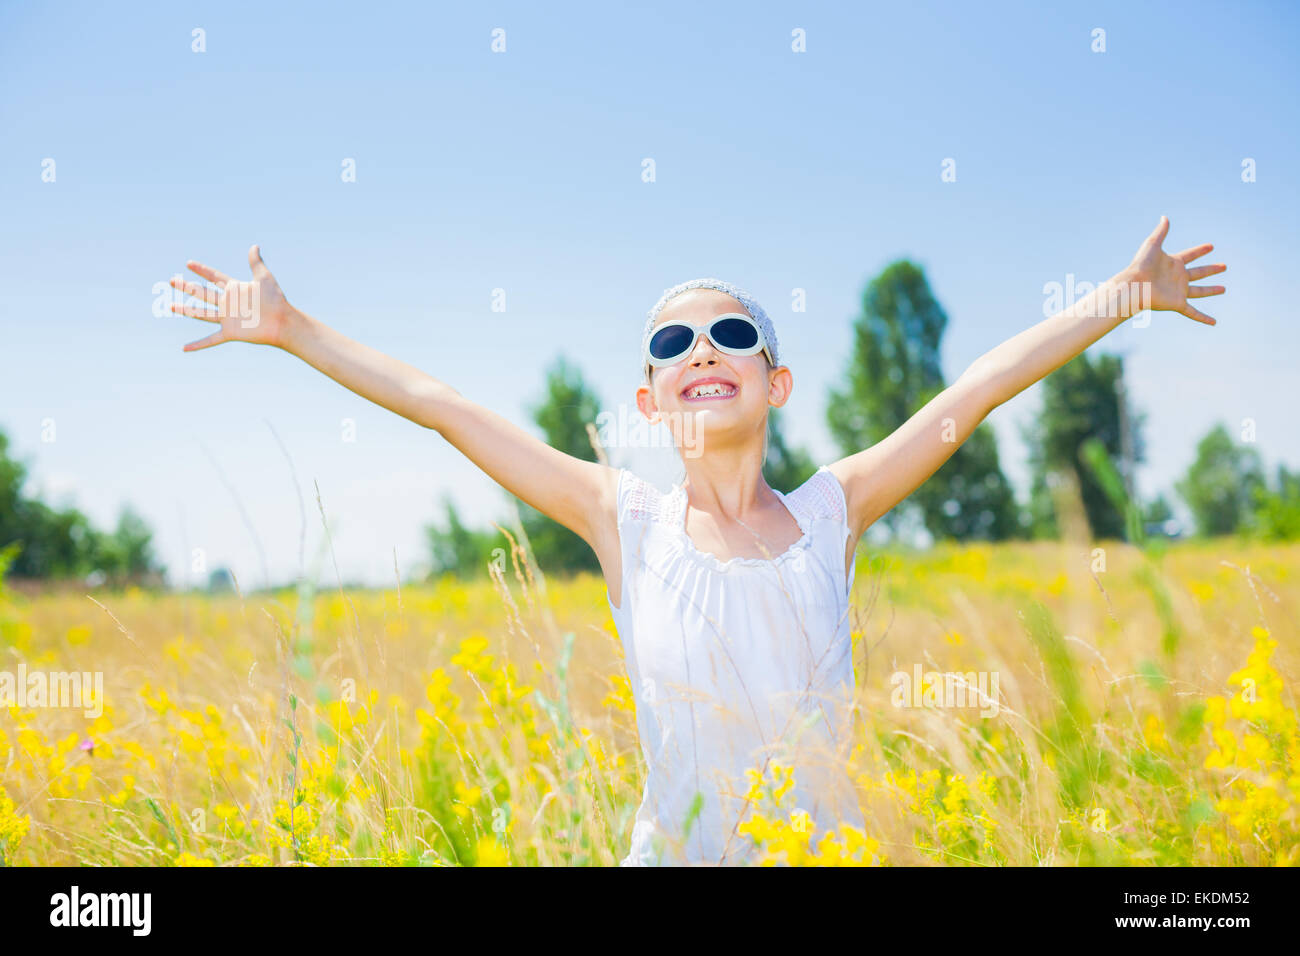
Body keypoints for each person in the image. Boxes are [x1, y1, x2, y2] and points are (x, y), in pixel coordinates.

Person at [167, 215, 1225, 865]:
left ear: (776, 382)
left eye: (732, 334)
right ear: (649, 395)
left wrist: (1121, 295)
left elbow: (978, 388)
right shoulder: (618, 517)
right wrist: (294, 329)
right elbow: (442, 404)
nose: (702, 348)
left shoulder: (831, 511)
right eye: (674, 342)